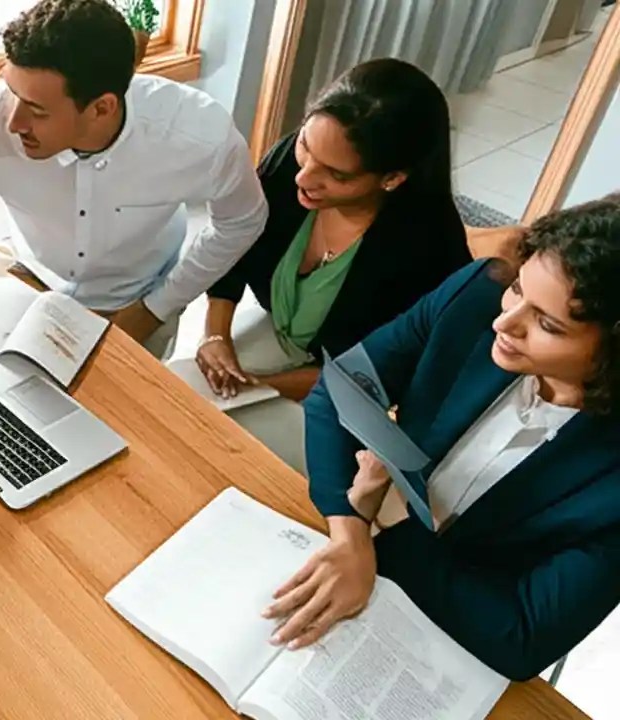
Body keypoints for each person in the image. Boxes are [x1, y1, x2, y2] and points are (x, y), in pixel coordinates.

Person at [264, 195, 620, 681]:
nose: (505, 322)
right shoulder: (475, 295)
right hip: (350, 548)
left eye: (548, 324)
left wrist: (386, 525)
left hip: (447, 637)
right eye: (518, 289)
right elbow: (338, 388)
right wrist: (350, 532)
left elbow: (523, 638)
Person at [0, 0, 267, 363]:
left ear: (102, 107)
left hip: (141, 295)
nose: (13, 122)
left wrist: (155, 308)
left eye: (37, 110)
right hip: (30, 281)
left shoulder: (200, 138)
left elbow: (243, 220)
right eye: (11, 91)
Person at [168, 58, 472, 471]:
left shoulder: (424, 250)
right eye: (306, 146)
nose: (304, 177)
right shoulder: (291, 164)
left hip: (345, 382)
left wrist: (266, 387)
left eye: (335, 175)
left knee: (270, 467)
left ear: (392, 178)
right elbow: (236, 246)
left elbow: (378, 372)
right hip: (288, 338)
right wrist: (214, 335)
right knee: (178, 400)